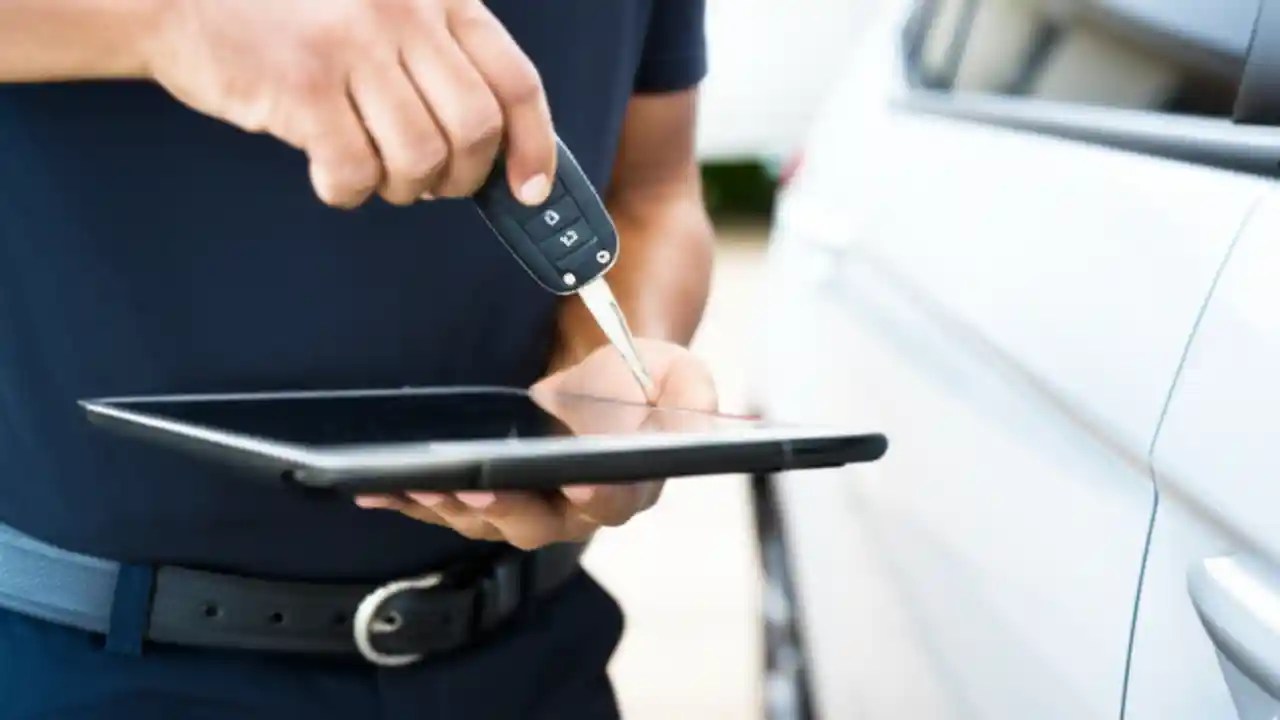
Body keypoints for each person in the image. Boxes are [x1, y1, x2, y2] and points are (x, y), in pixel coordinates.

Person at [0, 0, 716, 717]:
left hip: (528, 658)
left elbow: (652, 192)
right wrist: (174, 20)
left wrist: (612, 379)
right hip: (83, 663)